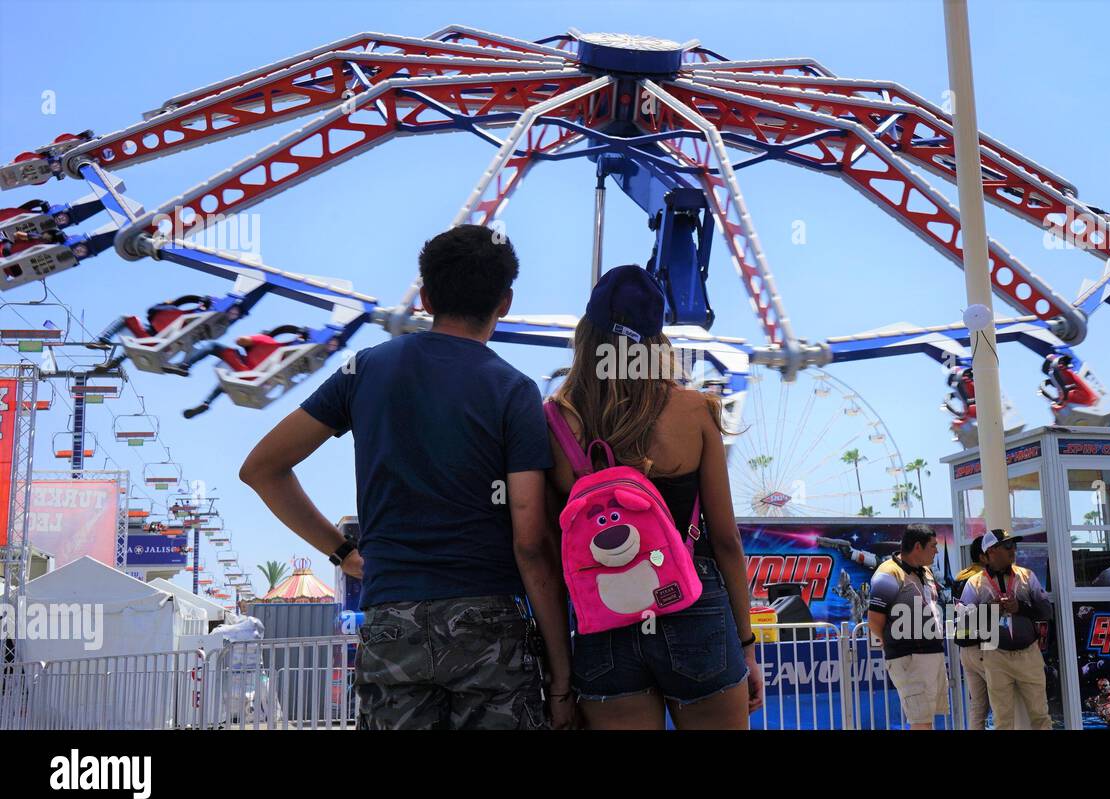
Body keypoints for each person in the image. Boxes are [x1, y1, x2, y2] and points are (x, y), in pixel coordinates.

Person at [239, 224, 572, 730]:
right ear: (505, 303)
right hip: (488, 622)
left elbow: (262, 469)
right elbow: (530, 541)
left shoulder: (365, 370)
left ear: (426, 296)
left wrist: (343, 553)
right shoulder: (514, 390)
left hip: (393, 618)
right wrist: (562, 673)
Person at [545, 264, 760, 730]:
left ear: (587, 335)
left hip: (603, 619)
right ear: (655, 341)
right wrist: (745, 642)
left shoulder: (558, 424)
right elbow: (725, 541)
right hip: (694, 603)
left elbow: (544, 549)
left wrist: (561, 674)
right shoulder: (694, 410)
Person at [959, 529, 1053, 730]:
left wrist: (1020, 607)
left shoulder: (1027, 576)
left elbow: (1046, 611)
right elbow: (960, 625)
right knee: (1002, 720)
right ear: (990, 552)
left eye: (1014, 545)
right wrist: (989, 609)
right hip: (995, 656)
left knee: (1040, 715)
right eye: (1008, 546)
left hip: (1029, 654)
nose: (1013, 550)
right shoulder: (973, 583)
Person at [867, 523, 947, 730]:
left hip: (932, 654)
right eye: (933, 546)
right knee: (920, 722)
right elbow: (874, 620)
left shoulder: (926, 571)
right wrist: (896, 645)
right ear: (918, 547)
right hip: (909, 659)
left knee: (927, 720)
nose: (937, 551)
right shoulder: (888, 572)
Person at [172, 325, 311, 419]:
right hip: (262, 380)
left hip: (245, 370)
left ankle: (185, 364)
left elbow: (240, 341)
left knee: (213, 346)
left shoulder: (265, 340)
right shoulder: (287, 352)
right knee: (227, 380)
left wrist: (250, 339)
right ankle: (206, 403)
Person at [952, 535, 990, 730]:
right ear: (983, 556)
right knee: (1004, 701)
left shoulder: (960, 576)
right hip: (983, 648)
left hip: (965, 650)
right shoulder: (982, 578)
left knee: (977, 707)